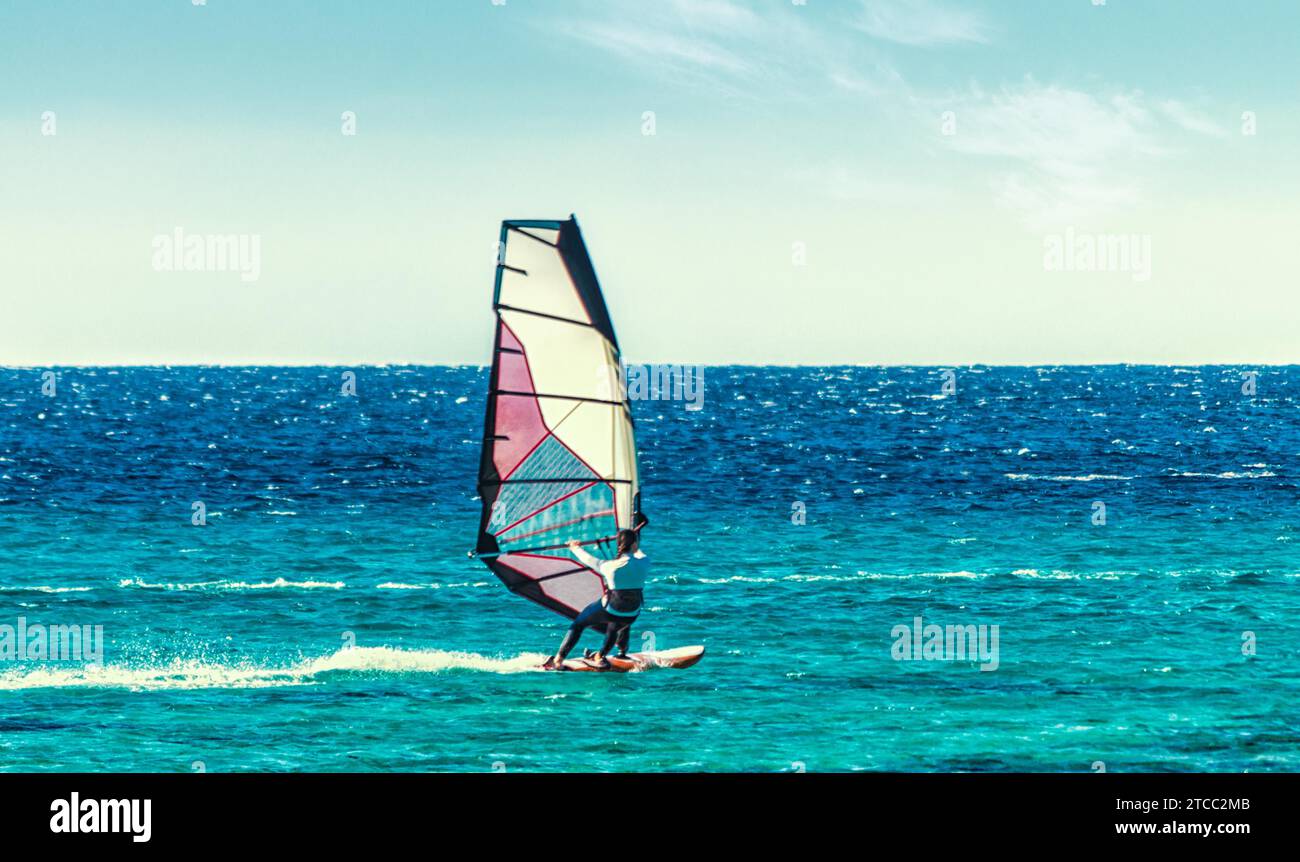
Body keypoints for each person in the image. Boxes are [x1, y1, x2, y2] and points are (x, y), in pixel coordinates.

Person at [543, 525, 648, 670]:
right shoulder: (645, 562)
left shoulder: (610, 566)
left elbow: (588, 559)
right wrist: (635, 537)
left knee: (579, 624)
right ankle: (607, 655)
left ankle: (558, 660)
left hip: (611, 610)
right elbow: (639, 553)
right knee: (616, 625)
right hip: (632, 614)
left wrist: (574, 548)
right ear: (635, 544)